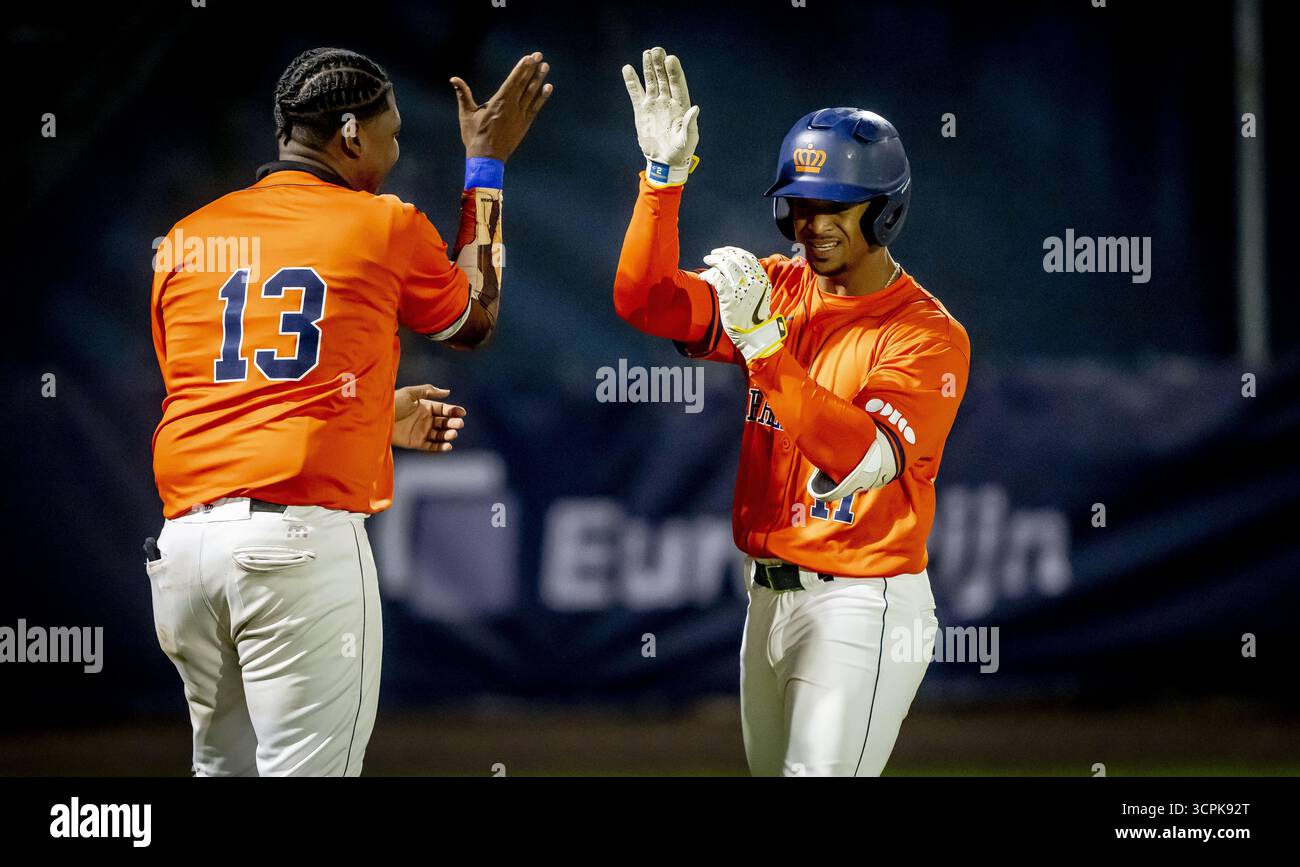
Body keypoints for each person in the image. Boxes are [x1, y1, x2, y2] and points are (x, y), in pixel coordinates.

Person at [145, 46, 552, 776]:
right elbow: (474, 319)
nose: (395, 153)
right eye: (391, 135)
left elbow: (216, 394)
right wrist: (485, 163)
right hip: (296, 545)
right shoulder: (380, 222)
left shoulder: (185, 238)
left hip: (184, 555)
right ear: (350, 135)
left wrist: (369, 413)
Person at [613, 47, 970, 776]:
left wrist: (764, 346)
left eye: (834, 205)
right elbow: (644, 301)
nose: (811, 223)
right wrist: (661, 181)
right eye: (800, 204)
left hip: (862, 605)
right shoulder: (775, 286)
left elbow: (862, 458)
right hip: (768, 600)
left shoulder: (927, 334)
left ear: (884, 209)